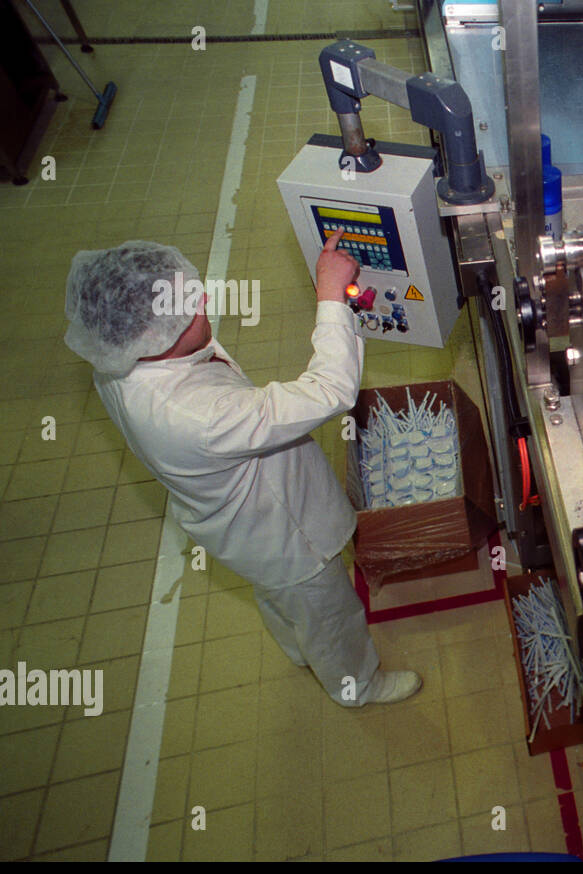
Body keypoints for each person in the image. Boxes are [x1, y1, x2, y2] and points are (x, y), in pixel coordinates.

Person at [64, 233, 421, 706]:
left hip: (236, 530)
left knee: (277, 598)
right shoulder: (194, 416)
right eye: (191, 305)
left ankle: (298, 649)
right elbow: (329, 391)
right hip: (285, 536)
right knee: (328, 615)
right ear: (156, 337)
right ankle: (356, 684)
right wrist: (331, 296)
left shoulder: (118, 361)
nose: (205, 300)